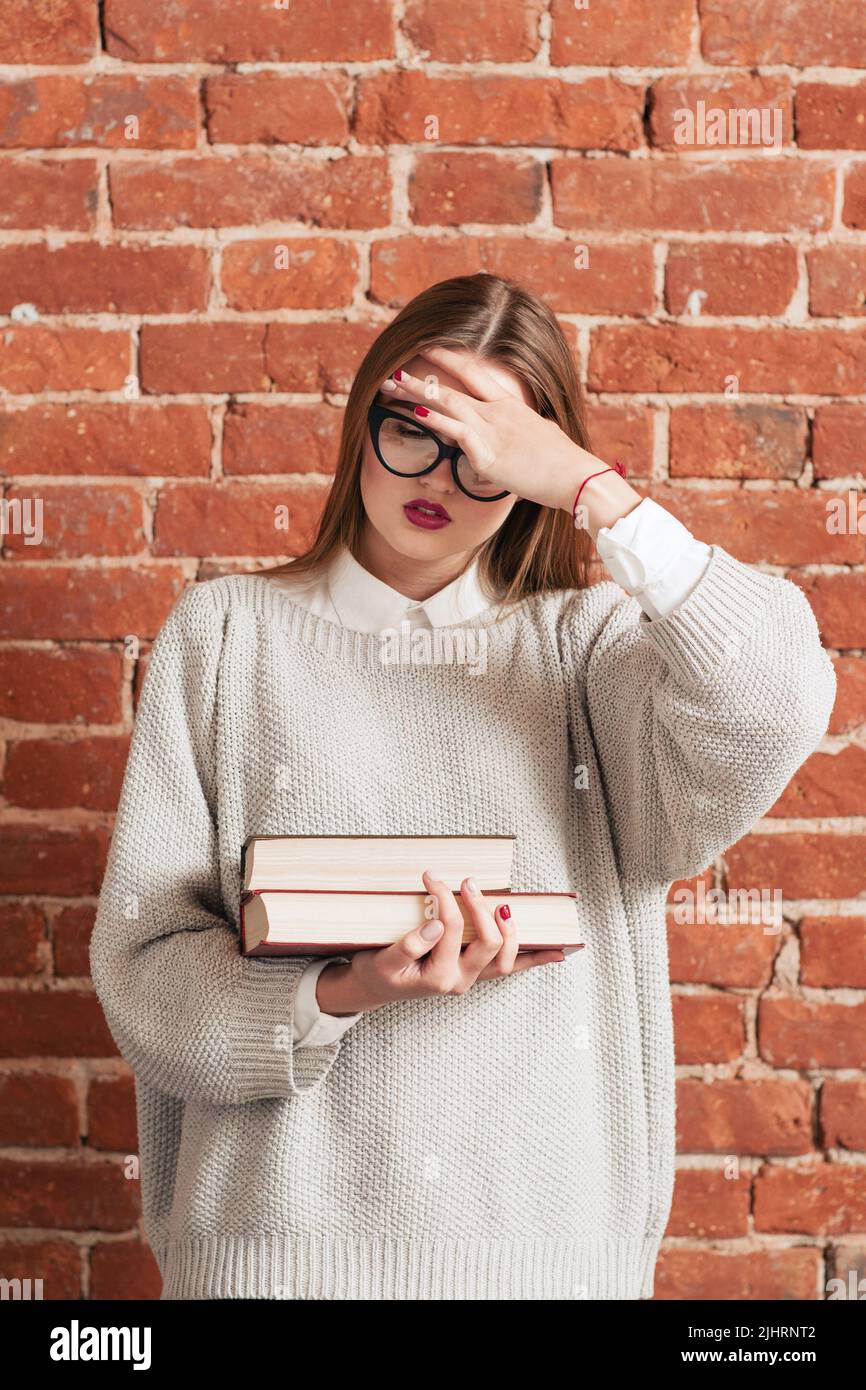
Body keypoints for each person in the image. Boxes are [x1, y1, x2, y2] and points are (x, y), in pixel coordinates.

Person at [89, 273, 836, 1301]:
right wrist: (341, 990)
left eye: (484, 454)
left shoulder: (591, 656)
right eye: (414, 427)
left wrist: (591, 486)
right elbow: (146, 972)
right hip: (270, 1268)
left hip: (540, 1272)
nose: (438, 473)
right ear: (363, 421)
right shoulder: (224, 638)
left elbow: (779, 694)